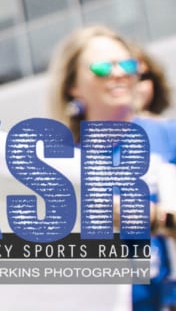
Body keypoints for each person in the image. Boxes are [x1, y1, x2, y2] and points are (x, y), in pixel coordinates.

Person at [47, 26, 176, 311]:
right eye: (103, 67)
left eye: (127, 64)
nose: (118, 73)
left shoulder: (169, 137)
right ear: (73, 86)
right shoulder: (61, 165)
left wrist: (152, 218)